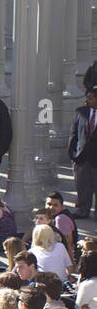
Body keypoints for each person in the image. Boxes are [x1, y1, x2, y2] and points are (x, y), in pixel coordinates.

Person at [69, 88, 97, 219]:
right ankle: (82, 210)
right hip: (81, 157)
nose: (87, 100)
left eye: (90, 98)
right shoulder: (80, 112)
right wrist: (72, 154)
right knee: (82, 185)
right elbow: (73, 133)